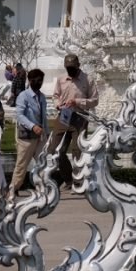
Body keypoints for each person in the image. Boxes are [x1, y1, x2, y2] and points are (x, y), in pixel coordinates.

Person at [49, 53, 98, 188]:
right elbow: (55, 95)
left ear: (78, 66)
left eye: (72, 68)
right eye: (68, 68)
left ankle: (77, 180)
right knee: (55, 150)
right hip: (64, 116)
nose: (70, 71)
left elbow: (95, 101)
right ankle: (68, 179)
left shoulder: (88, 80)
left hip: (79, 117)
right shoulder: (61, 79)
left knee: (78, 151)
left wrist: (78, 101)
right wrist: (58, 104)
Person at [10, 68, 47, 195]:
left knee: (43, 163)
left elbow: (43, 116)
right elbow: (20, 115)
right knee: (21, 165)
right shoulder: (23, 96)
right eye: (36, 80)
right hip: (26, 137)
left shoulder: (42, 97)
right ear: (30, 81)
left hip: (40, 137)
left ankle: (42, 187)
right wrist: (33, 126)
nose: (39, 82)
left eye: (41, 80)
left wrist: (45, 132)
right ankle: (13, 189)